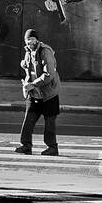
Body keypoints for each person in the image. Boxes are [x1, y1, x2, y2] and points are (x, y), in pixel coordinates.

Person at [16, 28, 60, 156]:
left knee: (50, 122)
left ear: (37, 40)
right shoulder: (28, 52)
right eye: (28, 39)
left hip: (49, 94)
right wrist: (24, 65)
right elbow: (31, 69)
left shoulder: (45, 52)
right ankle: (25, 145)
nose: (30, 42)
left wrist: (32, 85)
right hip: (35, 93)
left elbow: (49, 74)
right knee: (28, 119)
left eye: (32, 39)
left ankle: (52, 148)